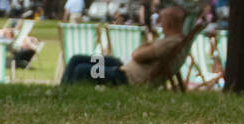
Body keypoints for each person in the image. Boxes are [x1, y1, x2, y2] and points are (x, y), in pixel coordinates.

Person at [62, 5, 198, 86]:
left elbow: (137, 55)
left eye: (161, 20)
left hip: (125, 76)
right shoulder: (172, 40)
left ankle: (63, 95)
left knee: (81, 70)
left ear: (169, 23)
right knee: (77, 59)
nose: (160, 23)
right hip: (122, 66)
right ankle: (60, 92)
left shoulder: (169, 43)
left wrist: (149, 43)